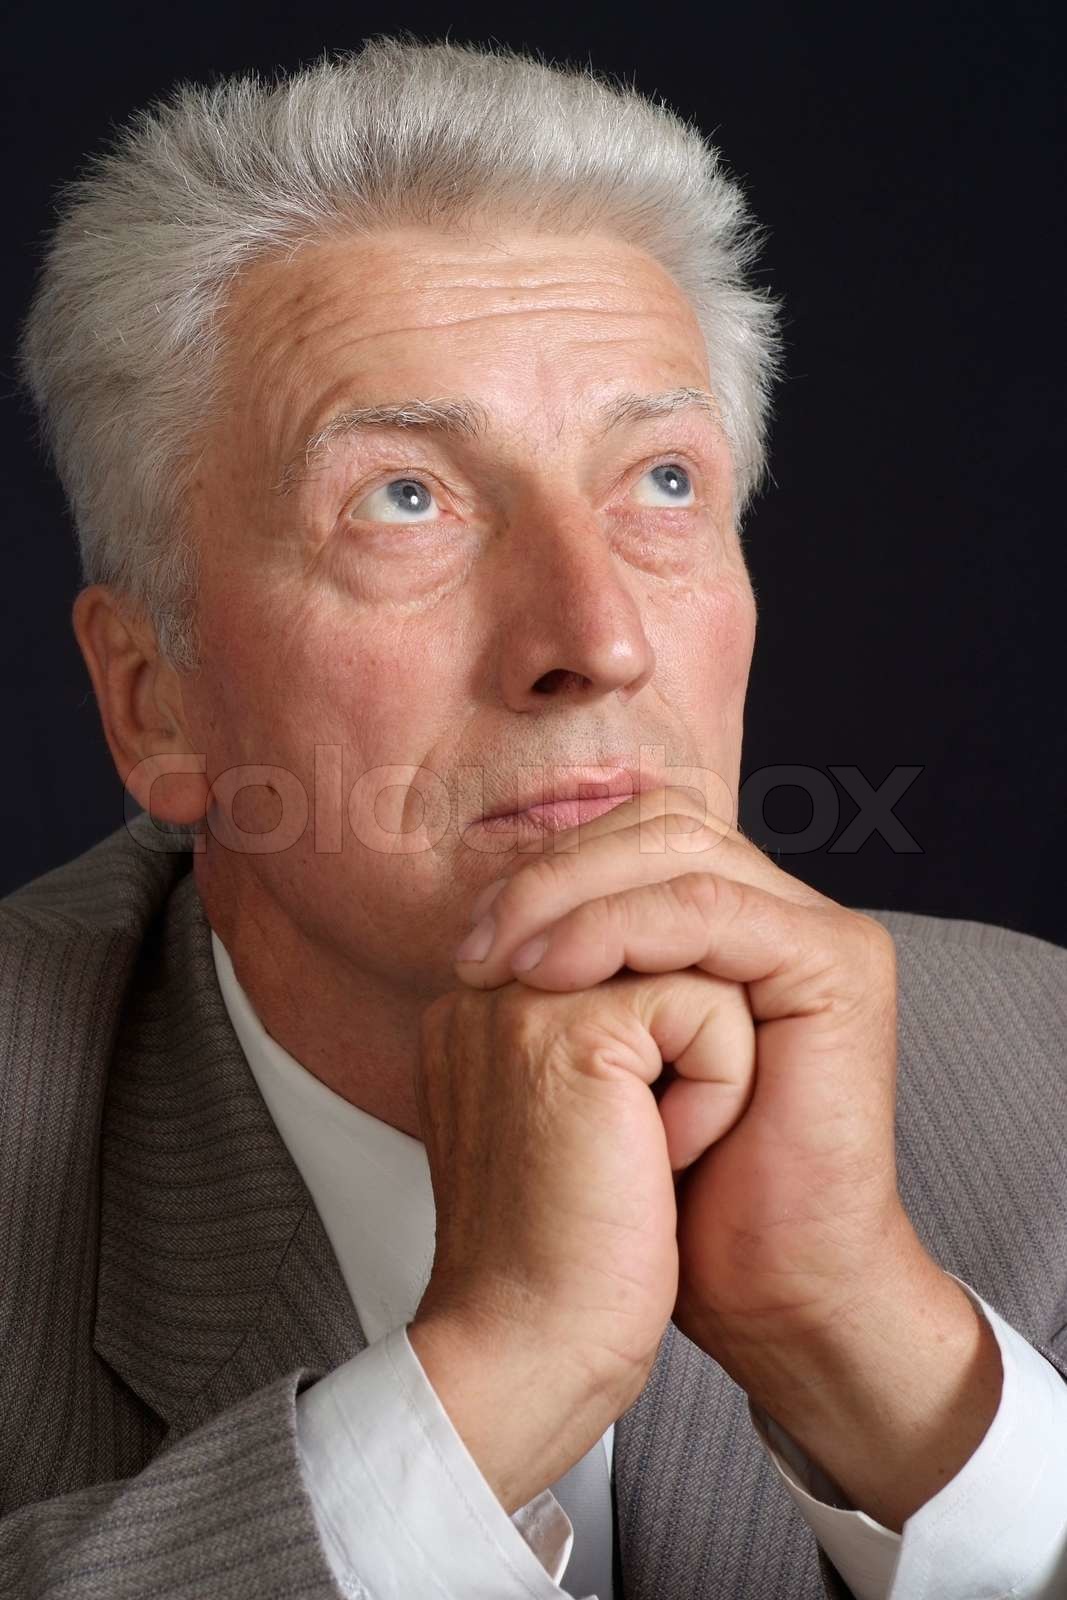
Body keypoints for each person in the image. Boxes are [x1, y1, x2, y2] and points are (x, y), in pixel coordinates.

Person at [2, 33, 1065, 1600]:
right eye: (405, 498)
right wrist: (488, 1387)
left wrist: (890, 1375)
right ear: (156, 696)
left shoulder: (1046, 1070)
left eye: (659, 482)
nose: (599, 636)